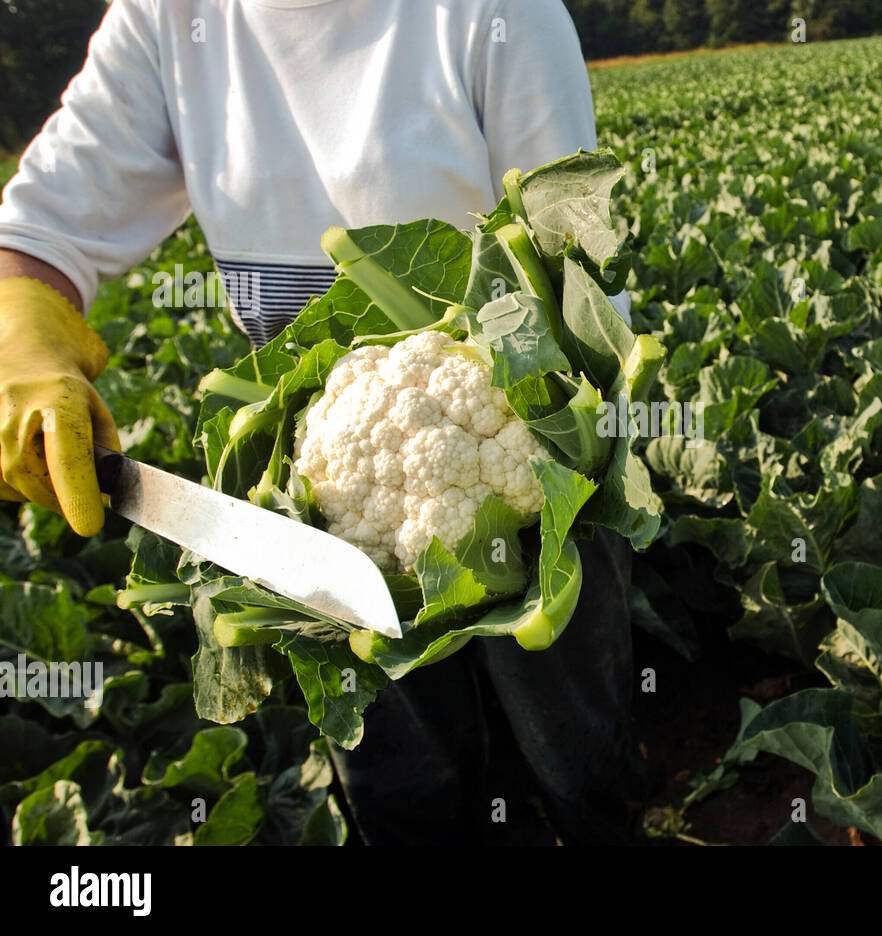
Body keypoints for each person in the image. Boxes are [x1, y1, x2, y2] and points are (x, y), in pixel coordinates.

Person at [0, 0, 646, 845]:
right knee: (403, 787)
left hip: (540, 465)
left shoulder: (498, 14)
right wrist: (21, 335)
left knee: (577, 752)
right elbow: (40, 227)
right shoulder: (169, 18)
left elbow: (570, 267)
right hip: (319, 508)